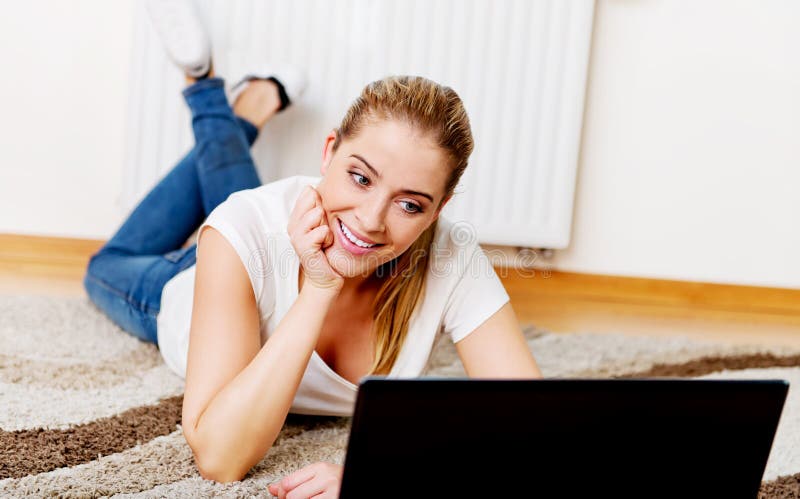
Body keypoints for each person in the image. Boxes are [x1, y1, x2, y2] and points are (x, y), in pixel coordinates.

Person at [83, 1, 542, 497]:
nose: (370, 220)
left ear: (438, 209)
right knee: (107, 266)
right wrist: (322, 285)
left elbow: (536, 432)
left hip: (275, 237)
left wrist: (377, 479)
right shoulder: (245, 228)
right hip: (189, 288)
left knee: (244, 203)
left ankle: (245, 103)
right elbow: (219, 458)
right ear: (328, 152)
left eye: (409, 204)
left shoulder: (452, 256)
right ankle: (210, 91)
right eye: (360, 177)